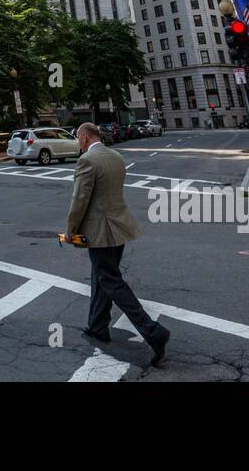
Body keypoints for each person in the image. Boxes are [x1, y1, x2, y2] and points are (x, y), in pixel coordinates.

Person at [66, 122, 170, 365]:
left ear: (84, 137)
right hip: (119, 228)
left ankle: (153, 332)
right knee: (102, 277)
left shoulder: (87, 161)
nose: (78, 143)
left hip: (100, 231)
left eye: (78, 138)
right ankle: (97, 325)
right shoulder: (115, 156)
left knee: (110, 281)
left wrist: (71, 230)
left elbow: (80, 199)